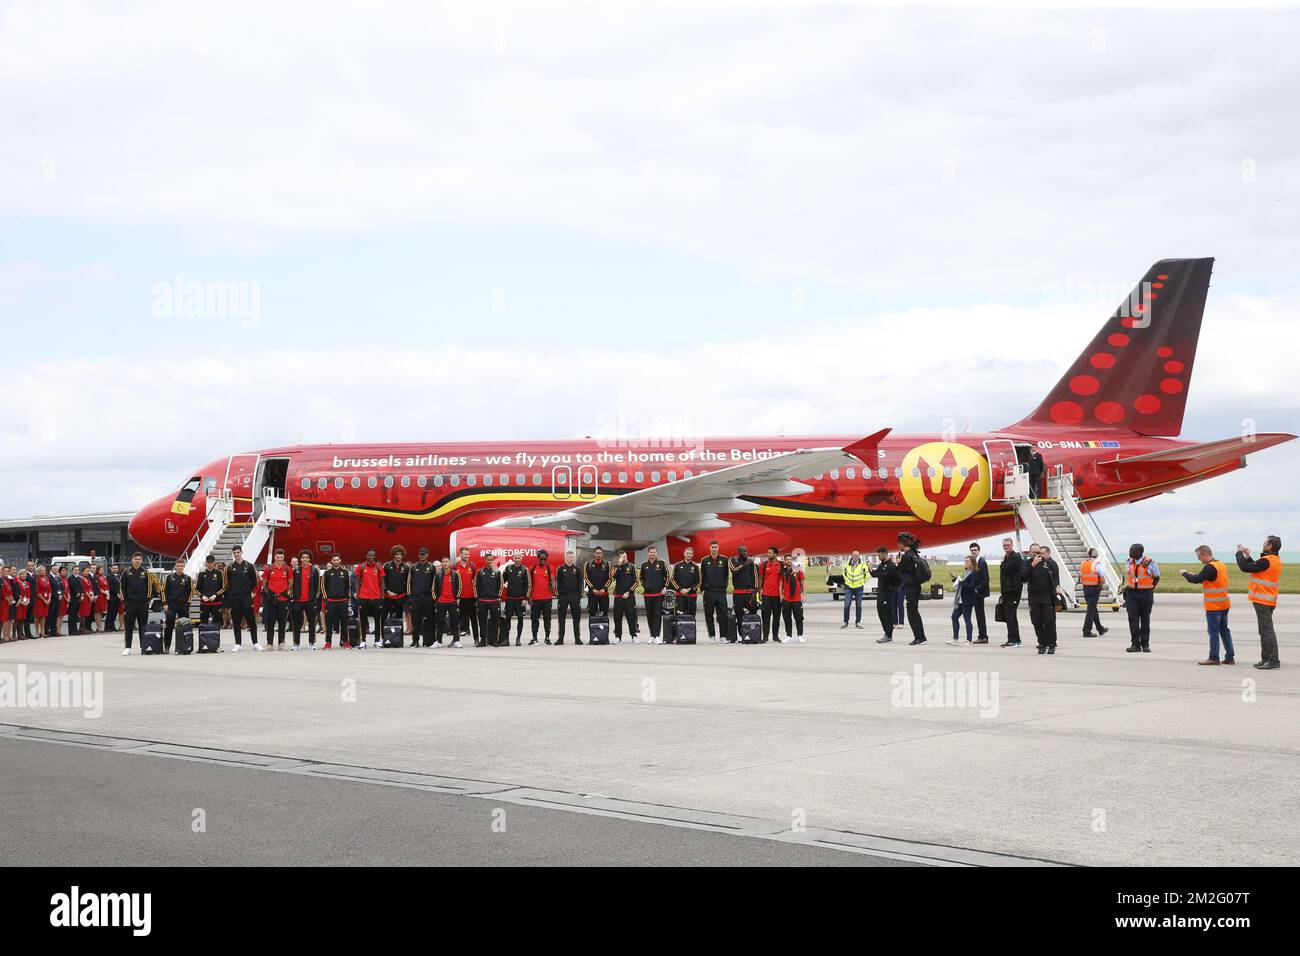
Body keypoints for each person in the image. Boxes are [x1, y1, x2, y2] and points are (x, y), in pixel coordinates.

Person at [1181, 545, 1233, 665]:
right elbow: (1207, 578)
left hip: (1214, 606)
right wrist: (1197, 576)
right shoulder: (1221, 565)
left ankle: (1214, 657)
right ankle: (1230, 656)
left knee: (1213, 631)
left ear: (1205, 554)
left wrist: (1185, 574)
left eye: (1199, 556)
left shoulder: (1209, 568)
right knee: (1224, 630)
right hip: (1224, 603)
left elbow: (1196, 579)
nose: (1199, 559)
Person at [1236, 536, 1282, 670]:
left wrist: (1239, 553)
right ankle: (1266, 658)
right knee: (1264, 630)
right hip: (1267, 599)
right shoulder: (1273, 560)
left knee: (1266, 631)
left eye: (1264, 542)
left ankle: (1273, 660)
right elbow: (1255, 567)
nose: (1262, 544)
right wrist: (1247, 556)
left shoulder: (1267, 561)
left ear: (1269, 546)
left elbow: (1245, 568)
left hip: (1263, 600)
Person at [118, 552, 161, 655]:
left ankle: (144, 646)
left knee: (143, 626)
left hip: (142, 603)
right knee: (129, 626)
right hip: (130, 603)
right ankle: (128, 647)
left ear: (141, 561)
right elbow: (122, 588)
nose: (137, 561)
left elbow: (150, 587)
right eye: (135, 559)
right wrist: (125, 602)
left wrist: (147, 600)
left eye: (139, 559)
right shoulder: (126, 572)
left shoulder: (145, 572)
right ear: (132, 560)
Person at [1123, 543, 1159, 653]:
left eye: (1132, 550)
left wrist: (1150, 588)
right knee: (1133, 619)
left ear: (1140, 552)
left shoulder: (1150, 562)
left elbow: (1157, 577)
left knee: (1145, 619)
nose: (1129, 552)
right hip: (1131, 594)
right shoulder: (1128, 562)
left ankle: (1145, 644)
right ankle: (1135, 644)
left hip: (1145, 594)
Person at [1025, 543, 1060, 654]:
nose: (1035, 554)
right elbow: (1022, 577)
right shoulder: (1027, 564)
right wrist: (1033, 565)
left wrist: (1057, 588)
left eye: (1037, 552)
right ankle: (1042, 643)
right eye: (1033, 552)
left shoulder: (1048, 563)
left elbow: (1054, 578)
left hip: (1046, 595)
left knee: (1048, 621)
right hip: (1033, 596)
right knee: (1036, 621)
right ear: (1030, 552)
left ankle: (1051, 644)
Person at [224, 545, 261, 651]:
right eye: (234, 553)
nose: (236, 554)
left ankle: (255, 643)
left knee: (251, 620)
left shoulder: (249, 566)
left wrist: (248, 590)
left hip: (246, 597)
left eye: (238, 552)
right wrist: (232, 593)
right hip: (235, 598)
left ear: (241, 553)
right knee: (236, 621)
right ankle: (238, 644)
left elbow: (254, 581)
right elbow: (227, 583)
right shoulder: (229, 567)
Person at [896, 533, 928, 645]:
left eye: (898, 543)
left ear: (901, 544)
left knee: (912, 613)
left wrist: (898, 563)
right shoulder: (914, 553)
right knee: (915, 612)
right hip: (916, 586)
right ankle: (921, 636)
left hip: (910, 588)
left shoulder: (906, 556)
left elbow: (900, 572)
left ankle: (919, 638)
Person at [699, 541, 730, 643]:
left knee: (723, 615)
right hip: (708, 592)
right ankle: (712, 636)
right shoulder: (704, 560)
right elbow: (702, 576)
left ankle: (723, 636)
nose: (714, 549)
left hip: (721, 592)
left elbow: (726, 576)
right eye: (712, 547)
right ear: (709, 548)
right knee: (709, 615)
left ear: (718, 548)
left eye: (716, 547)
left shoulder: (724, 559)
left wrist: (723, 588)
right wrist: (702, 589)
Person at [353, 549, 384, 648]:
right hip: (364, 597)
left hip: (376, 597)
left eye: (373, 556)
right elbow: (357, 581)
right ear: (366, 556)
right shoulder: (361, 567)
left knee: (377, 620)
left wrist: (382, 595)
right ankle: (363, 641)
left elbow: (382, 582)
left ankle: (377, 641)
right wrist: (358, 594)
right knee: (362, 620)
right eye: (370, 555)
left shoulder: (379, 567)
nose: (371, 557)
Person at [261, 549, 292, 649]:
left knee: (282, 622)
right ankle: (269, 643)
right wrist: (270, 593)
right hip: (271, 600)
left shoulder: (287, 569)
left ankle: (281, 643)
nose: (279, 559)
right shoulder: (268, 569)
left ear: (283, 558)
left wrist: (285, 592)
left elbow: (290, 582)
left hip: (283, 600)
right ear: (275, 557)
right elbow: (264, 583)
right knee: (270, 622)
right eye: (278, 557)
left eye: (281, 558)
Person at [638, 547, 669, 644]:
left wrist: (665, 587)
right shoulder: (644, 565)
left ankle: (657, 636)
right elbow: (640, 578)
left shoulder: (661, 563)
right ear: (648, 553)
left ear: (656, 553)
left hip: (658, 594)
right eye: (651, 552)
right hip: (648, 595)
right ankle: (652, 635)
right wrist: (644, 586)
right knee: (649, 615)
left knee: (657, 615)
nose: (653, 554)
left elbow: (668, 576)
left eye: (654, 552)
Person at [161, 559, 193, 653]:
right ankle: (166, 647)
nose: (179, 568)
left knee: (184, 627)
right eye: (178, 566)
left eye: (181, 566)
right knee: (169, 627)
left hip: (183, 606)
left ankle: (184, 646)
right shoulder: (169, 577)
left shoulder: (187, 578)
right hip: (171, 606)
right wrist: (165, 604)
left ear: (183, 567)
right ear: (175, 567)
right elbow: (163, 591)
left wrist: (188, 604)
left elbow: (191, 592)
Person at [407, 548, 437, 648]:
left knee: (430, 620)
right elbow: (409, 583)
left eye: (424, 554)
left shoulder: (432, 567)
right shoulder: (413, 567)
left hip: (428, 598)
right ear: (418, 555)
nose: (422, 556)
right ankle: (415, 641)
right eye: (421, 554)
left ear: (427, 555)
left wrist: (434, 598)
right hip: (416, 598)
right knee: (416, 620)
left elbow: (435, 583)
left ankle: (429, 641)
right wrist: (410, 597)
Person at [998, 537, 1025, 648]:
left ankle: (1013, 640)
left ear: (1012, 545)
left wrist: (1002, 564)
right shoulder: (1008, 557)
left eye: (1008, 545)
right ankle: (1016, 640)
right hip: (1007, 591)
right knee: (1011, 616)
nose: (1006, 547)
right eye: (1004, 545)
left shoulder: (1015, 557)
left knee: (1010, 616)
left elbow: (1006, 569)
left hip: (1013, 591)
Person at [291, 551, 321, 649]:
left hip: (310, 600)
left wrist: (315, 598)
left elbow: (317, 586)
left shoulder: (314, 570)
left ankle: (311, 643)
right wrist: (293, 598)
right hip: (298, 601)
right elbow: (292, 585)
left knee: (312, 623)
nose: (304, 559)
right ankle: (296, 644)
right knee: (296, 623)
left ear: (309, 559)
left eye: (306, 557)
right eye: (303, 557)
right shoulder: (296, 570)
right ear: (300, 559)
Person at [322, 554, 353, 649]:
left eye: (337, 560)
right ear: (331, 561)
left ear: (340, 560)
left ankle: (345, 642)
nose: (336, 561)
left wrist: (348, 599)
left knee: (344, 622)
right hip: (331, 601)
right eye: (334, 560)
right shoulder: (327, 573)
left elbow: (348, 586)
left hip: (343, 601)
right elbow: (323, 587)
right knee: (329, 623)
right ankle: (328, 643)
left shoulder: (345, 572)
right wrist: (326, 599)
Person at [870, 547, 900, 643]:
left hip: (888, 592)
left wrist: (873, 572)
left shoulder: (891, 566)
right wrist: (871, 571)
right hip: (881, 592)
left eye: (879, 555)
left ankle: (889, 635)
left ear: (884, 554)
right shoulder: (881, 565)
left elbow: (884, 576)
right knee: (881, 612)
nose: (878, 557)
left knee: (887, 613)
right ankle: (886, 632)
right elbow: (876, 574)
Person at [947, 556, 979, 645]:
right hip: (960, 599)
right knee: (954, 617)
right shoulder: (966, 572)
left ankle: (969, 640)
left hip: (968, 600)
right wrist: (955, 579)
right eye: (965, 561)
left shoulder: (974, 573)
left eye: (968, 561)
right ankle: (955, 639)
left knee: (967, 619)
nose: (966, 563)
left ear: (972, 562)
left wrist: (961, 581)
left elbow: (971, 587)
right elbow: (962, 583)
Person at [555, 552, 584, 646]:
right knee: (561, 619)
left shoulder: (577, 569)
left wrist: (579, 596)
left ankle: (577, 638)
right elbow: (557, 582)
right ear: (566, 558)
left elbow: (581, 583)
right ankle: (560, 639)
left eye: (572, 557)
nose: (571, 559)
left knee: (576, 619)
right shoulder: (560, 569)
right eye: (569, 557)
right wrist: (558, 595)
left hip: (574, 597)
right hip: (563, 597)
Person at [528, 549, 556, 646]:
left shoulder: (550, 568)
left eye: (545, 559)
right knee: (534, 619)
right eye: (541, 558)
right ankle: (534, 638)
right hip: (535, 599)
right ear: (538, 558)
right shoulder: (532, 568)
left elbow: (553, 581)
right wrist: (529, 597)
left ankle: (547, 638)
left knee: (547, 619)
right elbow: (529, 583)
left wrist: (553, 586)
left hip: (547, 598)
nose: (543, 560)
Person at [611, 551, 639, 643]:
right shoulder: (616, 567)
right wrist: (618, 565)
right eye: (622, 556)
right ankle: (618, 636)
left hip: (629, 596)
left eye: (625, 556)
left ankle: (633, 635)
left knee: (631, 616)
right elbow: (612, 577)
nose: (624, 558)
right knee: (617, 617)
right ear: (619, 558)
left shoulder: (632, 567)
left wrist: (629, 592)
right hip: (619, 596)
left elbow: (636, 582)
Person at [501, 556, 530, 646]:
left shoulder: (525, 569)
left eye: (518, 558)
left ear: (521, 559)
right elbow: (502, 580)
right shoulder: (508, 568)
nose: (517, 559)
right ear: (513, 558)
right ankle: (506, 639)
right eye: (515, 558)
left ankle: (518, 639)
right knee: (507, 619)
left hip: (520, 599)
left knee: (520, 618)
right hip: (510, 598)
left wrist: (525, 598)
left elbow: (528, 585)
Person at [1079, 547, 1107, 637]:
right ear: (1097, 555)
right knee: (1091, 608)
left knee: (1092, 607)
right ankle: (1086, 630)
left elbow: (1080, 575)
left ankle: (1100, 628)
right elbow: (1102, 578)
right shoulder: (1097, 563)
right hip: (1094, 588)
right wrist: (1100, 585)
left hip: (1085, 588)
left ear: (1089, 554)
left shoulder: (1083, 563)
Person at [433, 556, 461, 647]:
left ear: (450, 563)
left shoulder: (455, 574)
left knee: (454, 622)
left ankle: (456, 640)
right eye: (443, 562)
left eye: (447, 562)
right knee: (440, 622)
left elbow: (460, 587)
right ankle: (439, 641)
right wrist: (436, 600)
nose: (445, 563)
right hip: (441, 602)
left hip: (452, 601)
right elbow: (433, 589)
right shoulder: (438, 575)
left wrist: (457, 598)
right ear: (442, 564)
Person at [729, 545, 758, 630]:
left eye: (746, 551)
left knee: (751, 614)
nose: (746, 553)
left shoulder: (751, 563)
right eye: (743, 551)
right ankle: (742, 635)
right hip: (738, 594)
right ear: (739, 552)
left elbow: (756, 577)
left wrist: (755, 592)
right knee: (739, 614)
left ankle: (751, 634)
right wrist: (745, 564)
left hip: (749, 594)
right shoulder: (733, 560)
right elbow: (734, 571)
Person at [758, 546, 783, 642]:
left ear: (775, 554)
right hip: (766, 595)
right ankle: (765, 637)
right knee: (766, 617)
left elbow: (784, 580)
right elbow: (760, 578)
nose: (768, 554)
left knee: (776, 617)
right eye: (768, 553)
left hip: (777, 596)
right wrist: (759, 590)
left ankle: (775, 636)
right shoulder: (763, 565)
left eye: (770, 553)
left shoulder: (781, 565)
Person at [475, 559, 503, 647]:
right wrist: (478, 598)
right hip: (482, 601)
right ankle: (483, 640)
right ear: (485, 560)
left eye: (491, 560)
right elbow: (476, 585)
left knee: (495, 621)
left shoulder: (497, 572)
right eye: (488, 560)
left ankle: (494, 640)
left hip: (494, 601)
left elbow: (501, 585)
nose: (490, 561)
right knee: (482, 622)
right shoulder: (480, 572)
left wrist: (498, 597)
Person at [382, 545, 410, 632]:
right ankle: (384, 637)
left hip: (400, 597)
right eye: (397, 554)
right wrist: (387, 591)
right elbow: (382, 581)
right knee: (384, 616)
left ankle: (397, 638)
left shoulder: (406, 567)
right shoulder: (386, 565)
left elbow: (408, 582)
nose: (399, 556)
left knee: (398, 618)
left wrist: (405, 595)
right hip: (388, 596)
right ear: (394, 555)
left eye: (400, 554)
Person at [779, 553, 806, 643]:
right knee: (787, 619)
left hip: (797, 599)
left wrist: (803, 594)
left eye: (790, 559)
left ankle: (800, 635)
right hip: (786, 599)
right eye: (787, 559)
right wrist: (781, 596)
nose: (789, 561)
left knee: (799, 618)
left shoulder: (797, 570)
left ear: (792, 561)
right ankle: (788, 636)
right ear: (785, 561)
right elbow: (781, 584)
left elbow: (803, 583)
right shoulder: (782, 571)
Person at [583, 547, 612, 630]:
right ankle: (592, 637)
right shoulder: (588, 564)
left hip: (604, 594)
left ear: (602, 554)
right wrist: (592, 589)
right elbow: (585, 578)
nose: (598, 554)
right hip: (592, 595)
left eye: (600, 553)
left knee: (604, 615)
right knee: (592, 615)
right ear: (594, 554)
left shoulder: (607, 564)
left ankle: (604, 637)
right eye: (596, 553)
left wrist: (604, 589)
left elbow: (610, 579)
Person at [455, 547, 478, 645]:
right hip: (459, 598)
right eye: (465, 554)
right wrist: (455, 597)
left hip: (470, 597)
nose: (467, 556)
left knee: (473, 619)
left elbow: (476, 581)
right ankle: (456, 640)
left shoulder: (472, 566)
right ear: (460, 555)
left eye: (468, 554)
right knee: (457, 620)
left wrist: (476, 597)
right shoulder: (455, 566)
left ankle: (476, 640)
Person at [967, 544, 990, 643]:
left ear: (979, 551)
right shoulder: (973, 562)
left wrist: (977, 589)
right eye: (971, 550)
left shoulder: (982, 562)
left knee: (980, 615)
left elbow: (986, 579)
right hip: (974, 593)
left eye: (975, 550)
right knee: (978, 615)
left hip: (979, 593)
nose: (973, 552)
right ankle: (982, 635)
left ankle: (983, 636)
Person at [670, 547, 700, 620]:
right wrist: (680, 589)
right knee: (679, 617)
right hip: (680, 595)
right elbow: (673, 579)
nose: (689, 555)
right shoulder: (677, 565)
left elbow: (698, 581)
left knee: (691, 617)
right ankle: (678, 631)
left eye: (690, 553)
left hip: (691, 596)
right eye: (687, 553)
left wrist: (689, 590)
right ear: (684, 554)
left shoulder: (695, 567)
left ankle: (691, 631)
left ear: (692, 555)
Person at [841, 550, 868, 629]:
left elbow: (867, 574)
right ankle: (845, 622)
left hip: (859, 587)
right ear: (851, 556)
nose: (855, 557)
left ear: (859, 556)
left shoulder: (863, 564)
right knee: (846, 605)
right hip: (849, 587)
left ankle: (858, 622)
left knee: (858, 605)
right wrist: (846, 580)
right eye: (854, 556)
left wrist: (862, 582)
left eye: (857, 556)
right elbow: (843, 572)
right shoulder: (846, 564)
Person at [196, 555, 225, 625]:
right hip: (204, 603)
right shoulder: (201, 574)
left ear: (214, 562)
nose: (210, 564)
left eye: (211, 562)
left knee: (216, 624)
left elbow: (223, 588)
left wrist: (215, 595)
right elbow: (197, 589)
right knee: (203, 624)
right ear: (206, 563)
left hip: (216, 603)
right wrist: (202, 596)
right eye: (208, 562)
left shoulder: (219, 573)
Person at [33, 566, 51, 638]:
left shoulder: (46, 578)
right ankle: (37, 631)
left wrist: (49, 598)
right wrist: (44, 599)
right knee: (37, 616)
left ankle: (42, 632)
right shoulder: (37, 579)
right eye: (43, 570)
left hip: (46, 600)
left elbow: (50, 589)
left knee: (43, 616)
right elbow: (37, 591)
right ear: (39, 571)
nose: (45, 571)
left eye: (45, 570)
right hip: (39, 600)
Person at [105, 563, 121, 631]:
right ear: (111, 569)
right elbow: (110, 586)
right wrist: (117, 593)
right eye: (114, 568)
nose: (115, 569)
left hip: (118, 597)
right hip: (112, 597)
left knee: (115, 612)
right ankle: (107, 626)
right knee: (110, 612)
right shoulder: (109, 576)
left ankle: (112, 625)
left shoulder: (119, 576)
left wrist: (120, 594)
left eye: (116, 568)